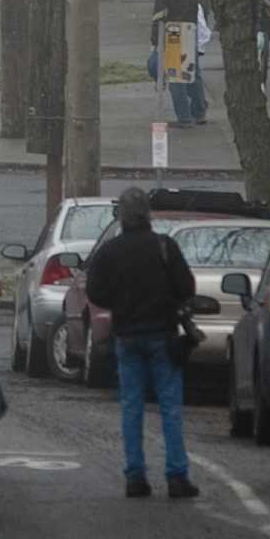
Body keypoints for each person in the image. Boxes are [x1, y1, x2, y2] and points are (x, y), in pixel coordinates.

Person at [83, 187, 201, 499]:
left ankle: (135, 475)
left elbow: (94, 292)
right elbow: (186, 286)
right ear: (147, 213)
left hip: (127, 334)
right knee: (170, 407)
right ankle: (177, 475)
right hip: (162, 333)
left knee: (131, 406)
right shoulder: (164, 246)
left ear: (121, 215)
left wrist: (119, 304)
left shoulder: (110, 251)